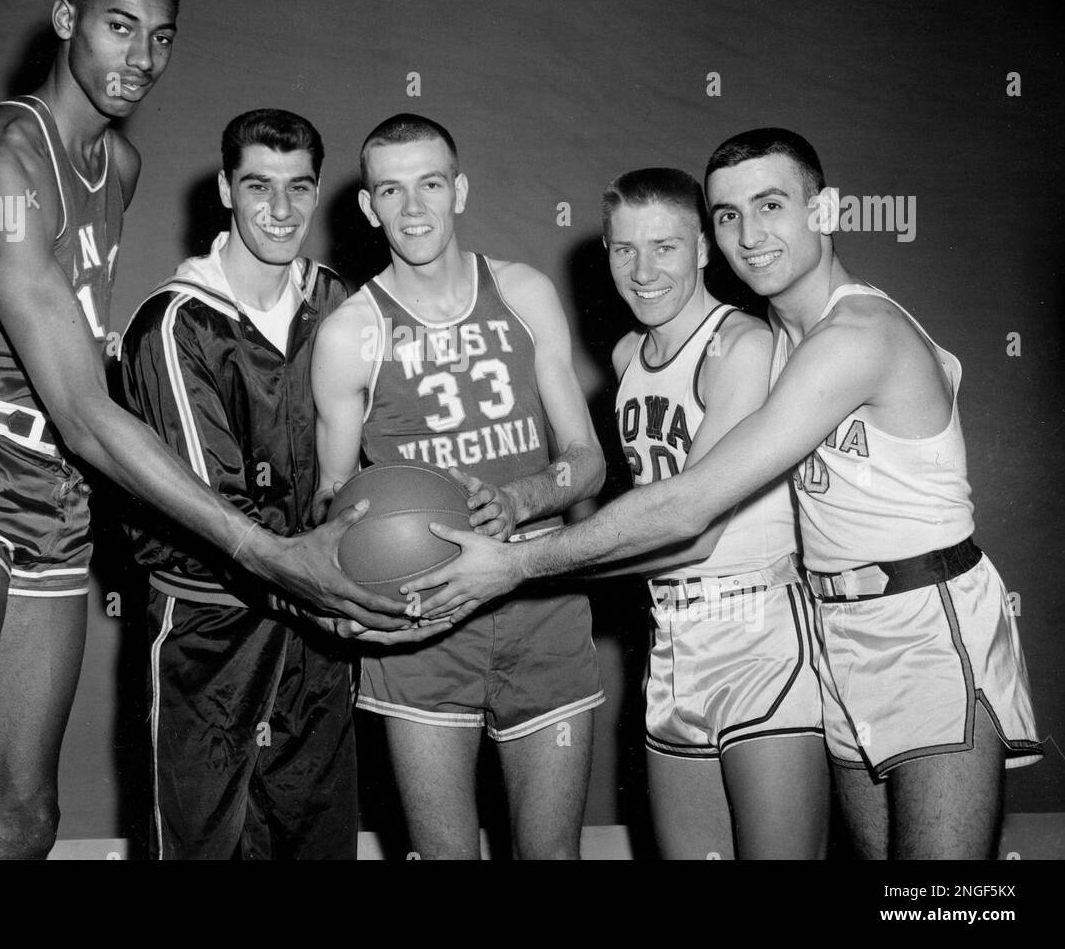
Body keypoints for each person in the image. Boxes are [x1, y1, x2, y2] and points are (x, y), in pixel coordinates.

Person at [0, 0, 407, 860]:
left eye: (161, 37)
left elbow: (79, 368)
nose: (141, 56)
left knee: (26, 818)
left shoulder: (118, 163)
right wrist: (269, 552)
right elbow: (83, 403)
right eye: (118, 25)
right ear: (64, 20)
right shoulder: (3, 161)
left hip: (58, 482)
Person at [411, 128, 1040, 859]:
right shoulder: (779, 334)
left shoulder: (855, 333)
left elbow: (689, 509)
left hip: (923, 626)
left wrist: (516, 563)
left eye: (771, 205)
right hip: (835, 634)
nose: (749, 233)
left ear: (826, 210)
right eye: (730, 213)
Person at [119, 109, 447, 860]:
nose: (280, 209)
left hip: (321, 628)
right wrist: (332, 585)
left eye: (299, 188)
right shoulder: (173, 325)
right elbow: (215, 518)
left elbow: (394, 446)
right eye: (258, 186)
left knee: (316, 842)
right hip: (212, 631)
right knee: (205, 847)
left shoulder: (342, 304)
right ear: (227, 192)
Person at [312, 113, 606, 860]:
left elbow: (587, 460)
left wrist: (519, 500)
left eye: (431, 184)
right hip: (423, 622)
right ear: (368, 207)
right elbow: (330, 500)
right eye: (392, 189)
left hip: (540, 598)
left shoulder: (523, 292)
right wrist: (346, 603)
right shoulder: (351, 333)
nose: (413, 208)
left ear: (460, 189)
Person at [602, 167, 827, 859]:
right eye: (623, 250)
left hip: (758, 638)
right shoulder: (625, 355)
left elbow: (693, 530)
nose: (643, 271)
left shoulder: (740, 345)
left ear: (703, 248)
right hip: (673, 641)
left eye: (665, 247)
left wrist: (529, 567)